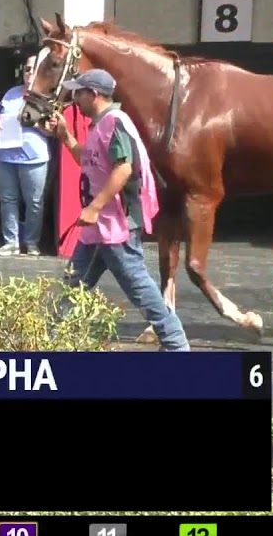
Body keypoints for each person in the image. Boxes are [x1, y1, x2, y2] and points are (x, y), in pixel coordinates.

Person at [48, 69, 190, 352]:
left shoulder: (114, 123)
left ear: (94, 94)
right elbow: (89, 160)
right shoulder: (100, 125)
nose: (75, 99)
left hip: (116, 226)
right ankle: (49, 341)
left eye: (79, 93)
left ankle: (176, 344)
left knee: (138, 286)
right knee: (73, 283)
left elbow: (123, 168)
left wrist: (94, 207)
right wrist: (65, 137)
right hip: (98, 228)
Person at [0, 55, 51, 256]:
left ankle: (32, 242)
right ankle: (11, 243)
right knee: (8, 199)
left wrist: (32, 123)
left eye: (34, 69)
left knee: (34, 202)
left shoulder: (45, 96)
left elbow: (52, 131)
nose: (30, 73)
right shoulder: (11, 94)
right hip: (6, 156)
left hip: (34, 157)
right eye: (27, 69)